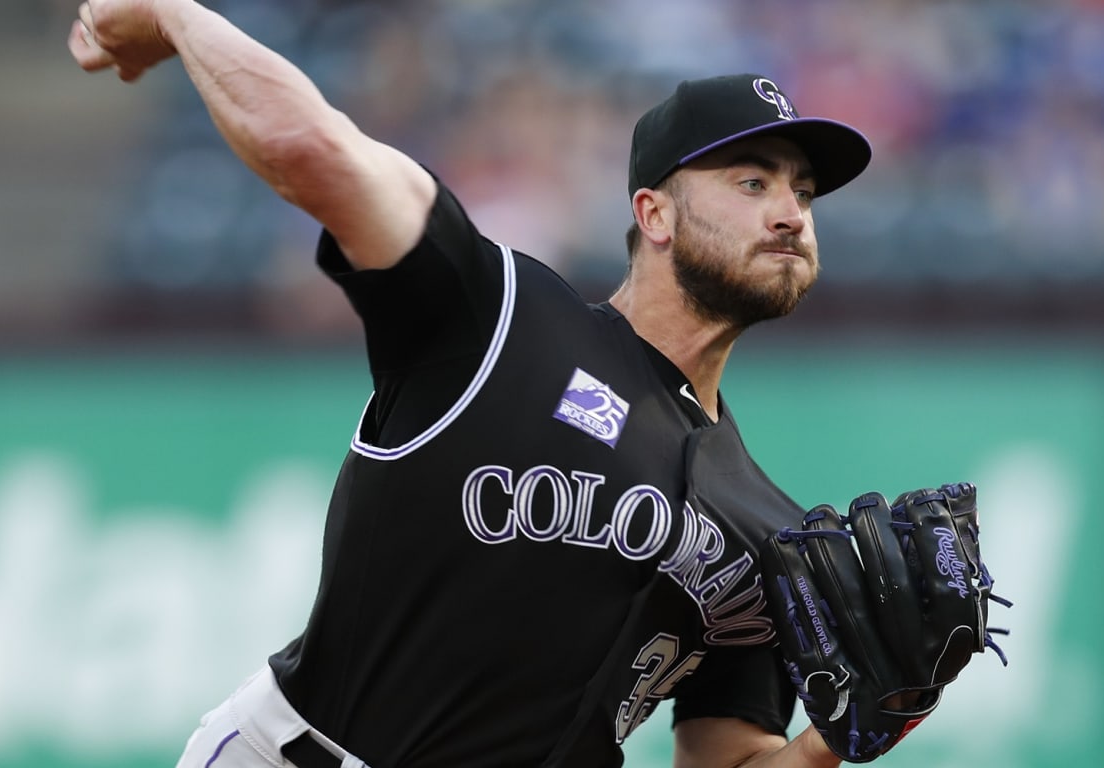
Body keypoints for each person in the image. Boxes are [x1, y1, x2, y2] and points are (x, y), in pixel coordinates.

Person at [68, 2, 880, 766]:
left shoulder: (768, 529)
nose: (791, 213)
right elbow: (311, 149)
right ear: (654, 214)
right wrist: (176, 13)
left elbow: (726, 757)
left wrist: (859, 723)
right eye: (753, 183)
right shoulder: (496, 316)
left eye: (803, 193)